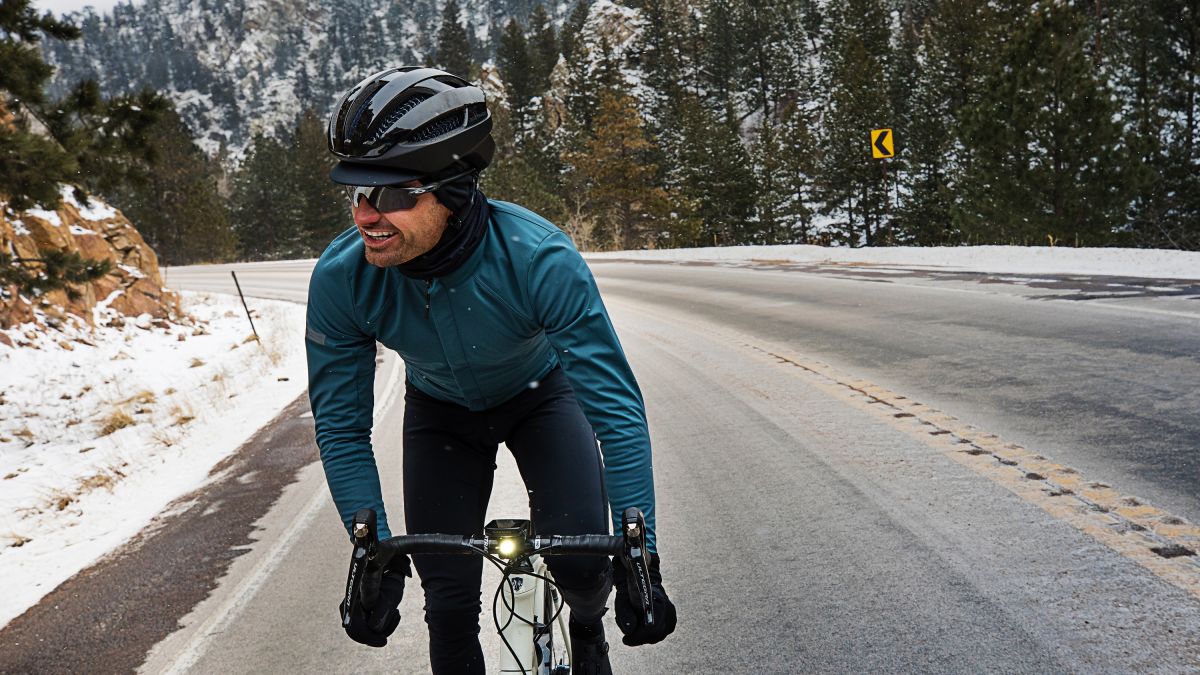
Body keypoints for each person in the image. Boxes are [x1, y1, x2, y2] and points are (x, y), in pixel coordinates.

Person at [305, 66, 677, 674]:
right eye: (356, 192)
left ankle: (586, 631)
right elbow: (342, 428)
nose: (367, 216)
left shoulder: (539, 258)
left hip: (543, 400)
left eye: (394, 195)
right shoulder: (342, 278)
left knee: (585, 569)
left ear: (452, 191)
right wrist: (368, 550)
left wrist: (643, 559)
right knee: (447, 605)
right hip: (441, 415)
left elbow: (617, 414)